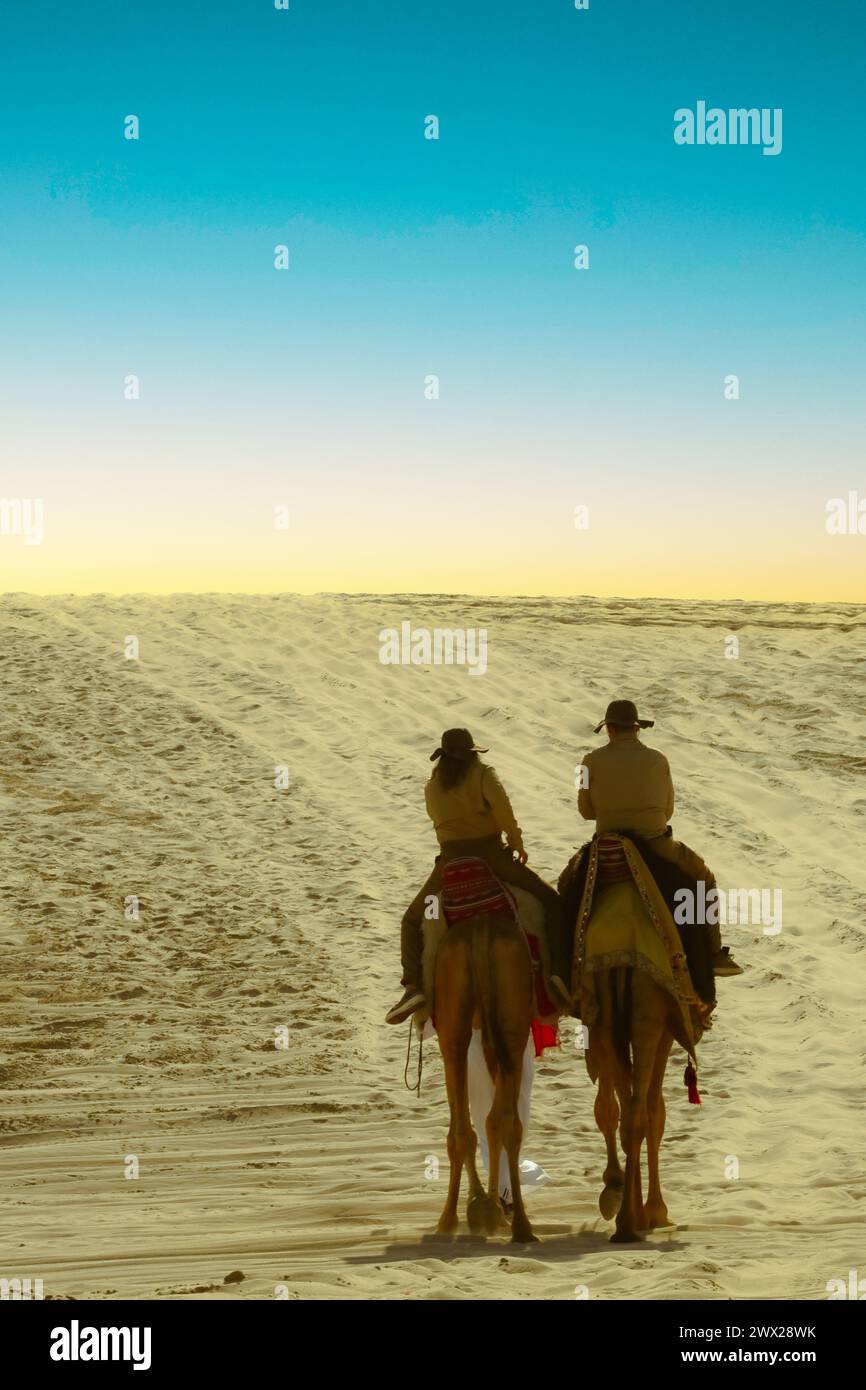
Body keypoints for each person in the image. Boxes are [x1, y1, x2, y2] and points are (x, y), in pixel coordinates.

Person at [386, 728, 572, 1024]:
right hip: (492, 857)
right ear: (473, 753)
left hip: (449, 863)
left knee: (410, 920)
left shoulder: (432, 785)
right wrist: (515, 840)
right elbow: (501, 806)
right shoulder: (483, 774)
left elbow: (437, 821)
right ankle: (560, 977)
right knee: (552, 902)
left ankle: (413, 987)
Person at [577, 700, 743, 976]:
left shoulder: (588, 763)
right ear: (636, 729)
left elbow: (585, 812)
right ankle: (713, 954)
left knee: (568, 885)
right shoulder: (658, 759)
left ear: (609, 730)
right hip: (655, 843)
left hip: (607, 846)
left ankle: (563, 965)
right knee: (704, 878)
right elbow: (668, 811)